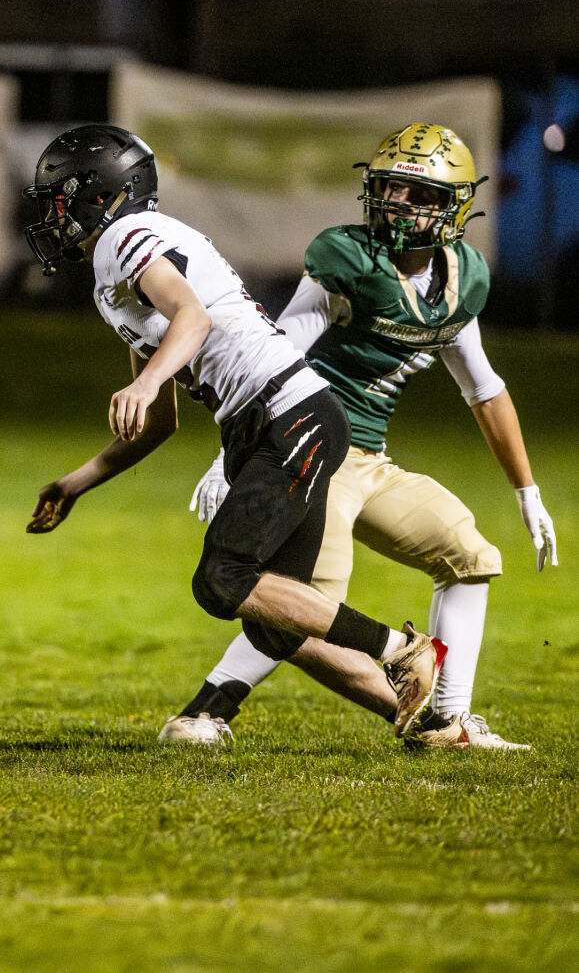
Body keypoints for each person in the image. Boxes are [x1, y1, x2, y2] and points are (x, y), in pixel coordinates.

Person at [22, 124, 447, 741]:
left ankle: (404, 649)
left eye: (59, 199)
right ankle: (424, 721)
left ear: (99, 197)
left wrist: (141, 384)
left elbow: (190, 319)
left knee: (224, 578)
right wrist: (76, 482)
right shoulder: (119, 267)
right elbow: (161, 422)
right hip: (274, 420)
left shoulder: (122, 236)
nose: (52, 215)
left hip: (285, 413)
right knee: (277, 624)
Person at [164, 122, 557, 750]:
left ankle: (448, 723)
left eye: (414, 193)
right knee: (307, 601)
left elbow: (483, 387)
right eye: (389, 189)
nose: (397, 203)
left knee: (470, 553)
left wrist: (526, 490)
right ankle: (206, 710)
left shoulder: (461, 279)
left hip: (369, 457)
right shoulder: (349, 260)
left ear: (451, 206)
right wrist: (232, 450)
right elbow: (277, 351)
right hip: (313, 448)